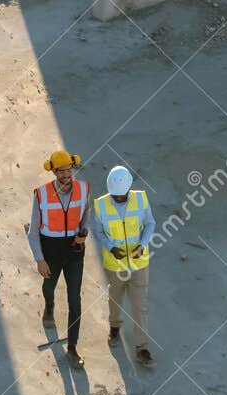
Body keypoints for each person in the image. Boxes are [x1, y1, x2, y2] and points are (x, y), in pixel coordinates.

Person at [28, 150, 90, 370]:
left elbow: (85, 217)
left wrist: (84, 234)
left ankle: (72, 349)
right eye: (61, 171)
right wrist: (39, 260)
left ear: (73, 168)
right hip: (51, 252)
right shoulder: (42, 194)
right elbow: (33, 232)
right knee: (49, 286)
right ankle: (49, 305)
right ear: (53, 171)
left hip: (74, 252)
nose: (66, 174)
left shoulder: (83, 189)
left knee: (75, 299)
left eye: (69, 169)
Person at [91, 165, 156, 366]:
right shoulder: (100, 205)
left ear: (128, 189)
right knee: (115, 299)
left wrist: (142, 245)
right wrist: (111, 248)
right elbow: (98, 231)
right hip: (115, 264)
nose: (118, 199)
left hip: (138, 264)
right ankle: (114, 327)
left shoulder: (141, 199)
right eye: (115, 196)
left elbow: (150, 224)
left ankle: (142, 347)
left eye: (121, 196)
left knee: (140, 306)